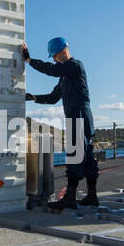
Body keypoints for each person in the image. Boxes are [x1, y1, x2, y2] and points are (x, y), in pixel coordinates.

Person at [20, 36, 98, 210]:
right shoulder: (64, 77)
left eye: (54, 56)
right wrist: (33, 98)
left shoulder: (74, 66)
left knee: (76, 155)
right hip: (79, 115)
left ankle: (70, 198)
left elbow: (51, 70)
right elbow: (54, 97)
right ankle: (92, 196)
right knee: (86, 157)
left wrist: (29, 60)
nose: (54, 59)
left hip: (79, 115)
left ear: (63, 51)